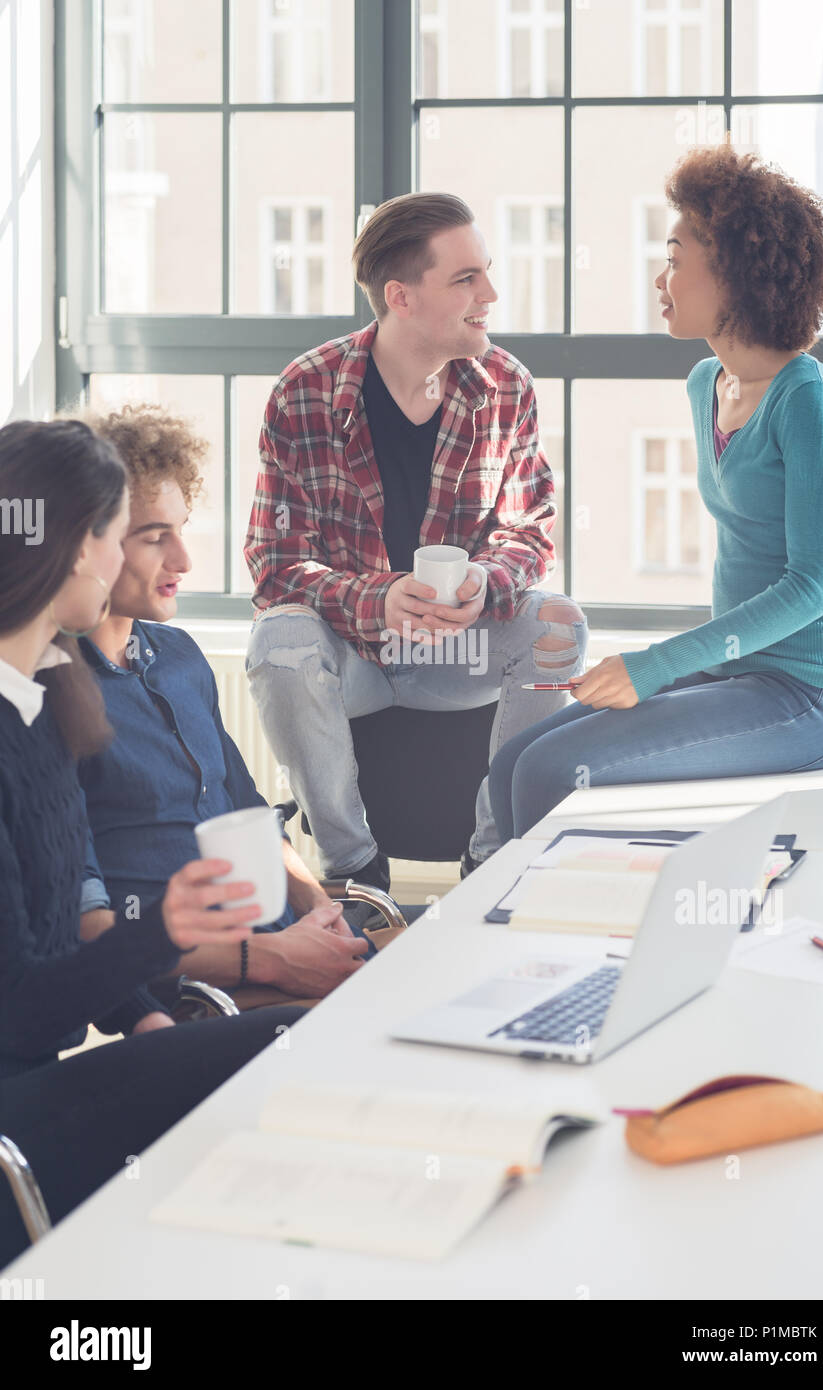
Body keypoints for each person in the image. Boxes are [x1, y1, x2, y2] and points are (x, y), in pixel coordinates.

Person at [489, 144, 823, 841]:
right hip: (737, 674)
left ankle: (535, 933)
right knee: (512, 762)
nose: (660, 277)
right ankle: (500, 927)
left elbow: (810, 587)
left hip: (813, 694)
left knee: (548, 774)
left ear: (734, 271)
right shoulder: (705, 384)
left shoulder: (807, 400)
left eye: (674, 255)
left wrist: (656, 664)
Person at [0, 418, 305, 1270]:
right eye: (118, 533)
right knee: (292, 1046)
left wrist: (145, 1013)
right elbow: (22, 1004)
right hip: (13, 1119)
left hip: (42, 1078)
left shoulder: (42, 705)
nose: (122, 560)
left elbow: (61, 947)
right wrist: (164, 930)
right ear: (73, 548)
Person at [244, 192, 587, 890]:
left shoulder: (504, 387)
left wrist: (481, 585)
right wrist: (378, 601)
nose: (489, 293)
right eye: (465, 279)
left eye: (485, 273)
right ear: (399, 296)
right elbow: (275, 566)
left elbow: (529, 530)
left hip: (461, 652)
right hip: (357, 661)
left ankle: (494, 858)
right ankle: (352, 871)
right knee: (278, 641)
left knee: (559, 624)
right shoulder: (304, 390)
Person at [74, 403, 369, 1001]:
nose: (183, 561)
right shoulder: (54, 696)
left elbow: (245, 807)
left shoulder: (179, 656)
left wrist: (318, 906)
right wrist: (273, 960)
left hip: (281, 941)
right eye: (156, 538)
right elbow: (93, 933)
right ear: (90, 542)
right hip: (205, 986)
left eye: (182, 531)